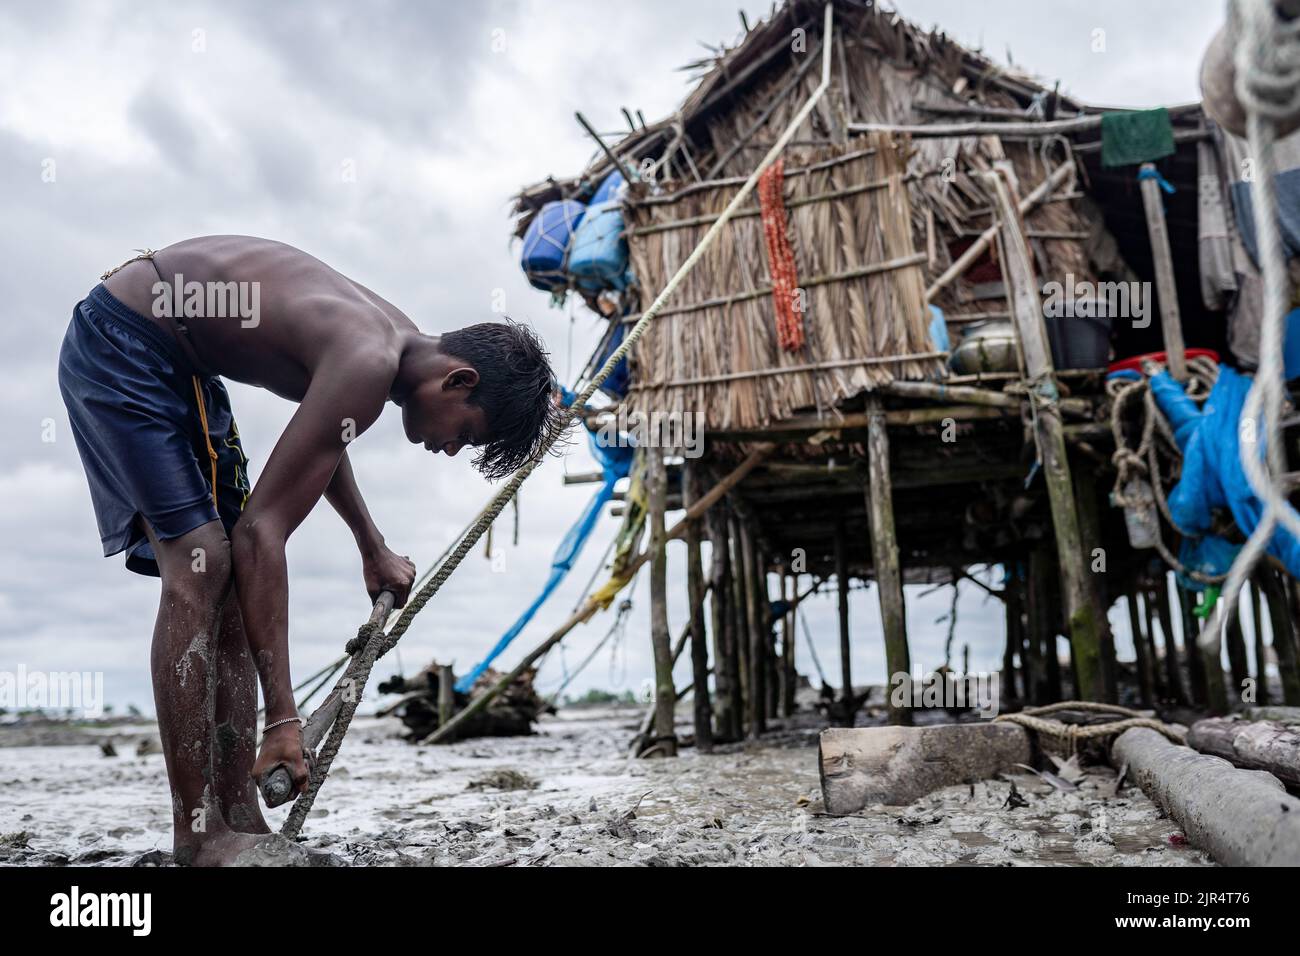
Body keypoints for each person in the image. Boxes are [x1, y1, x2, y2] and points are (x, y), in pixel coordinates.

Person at [57, 236, 562, 864]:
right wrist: (284, 721)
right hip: (123, 341)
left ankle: (237, 817)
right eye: (466, 432)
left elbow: (323, 439)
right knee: (203, 560)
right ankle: (197, 835)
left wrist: (370, 545)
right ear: (458, 380)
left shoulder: (389, 348)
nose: (451, 449)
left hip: (182, 362)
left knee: (233, 578)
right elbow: (261, 533)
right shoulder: (370, 356)